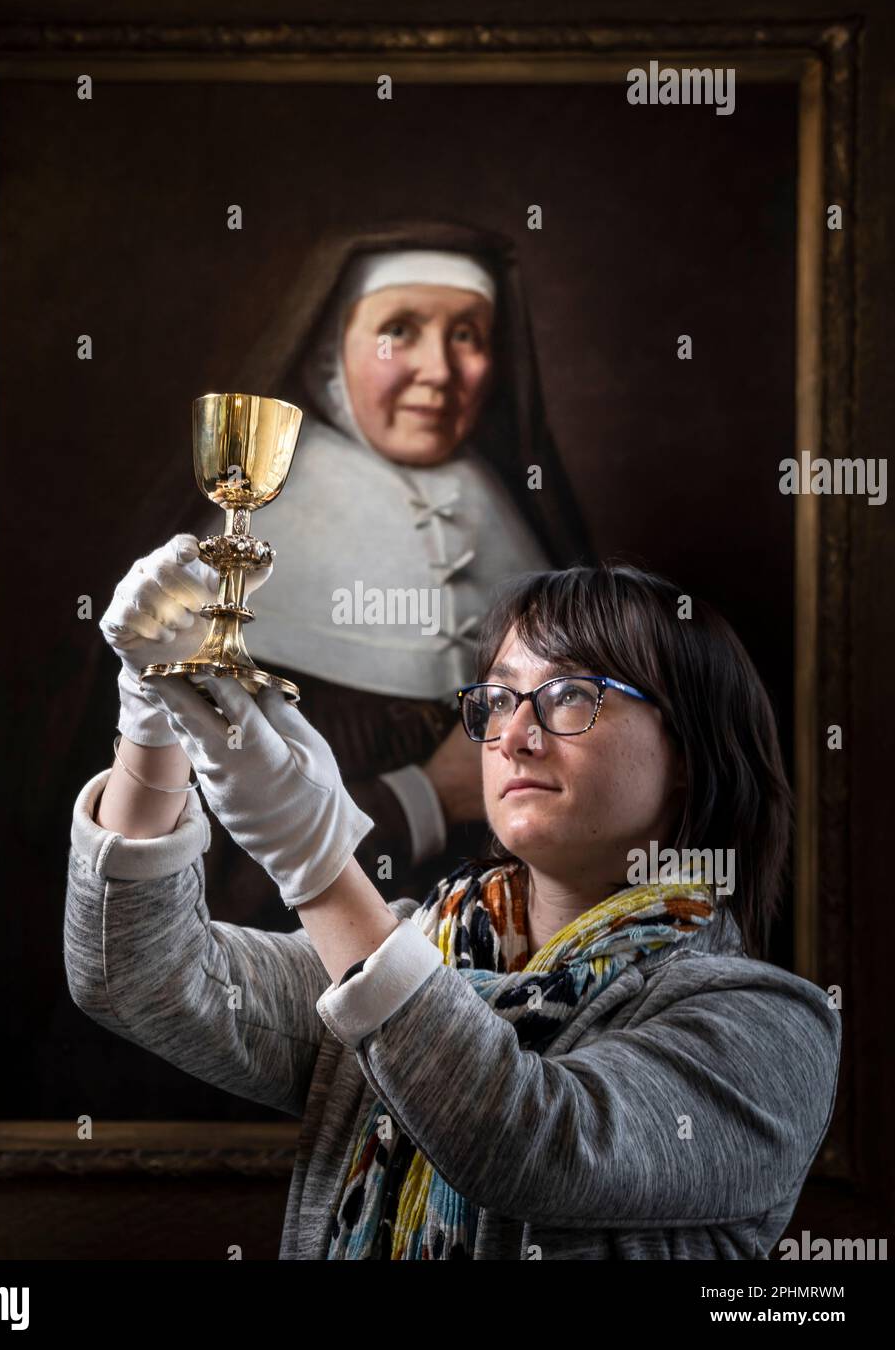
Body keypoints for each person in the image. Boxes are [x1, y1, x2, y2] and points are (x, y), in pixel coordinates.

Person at [64, 559, 841, 1260]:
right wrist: (152, 717)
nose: (515, 736)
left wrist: (315, 862)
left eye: (570, 694)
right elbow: (142, 977)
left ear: (690, 754)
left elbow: (527, 1142)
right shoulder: (413, 956)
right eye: (498, 699)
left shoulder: (768, 1027)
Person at [90, 218, 592, 940]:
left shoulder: (528, 519)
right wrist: (427, 798)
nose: (439, 372)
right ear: (331, 348)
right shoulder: (233, 555)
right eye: (399, 330)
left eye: (467, 335)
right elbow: (212, 875)